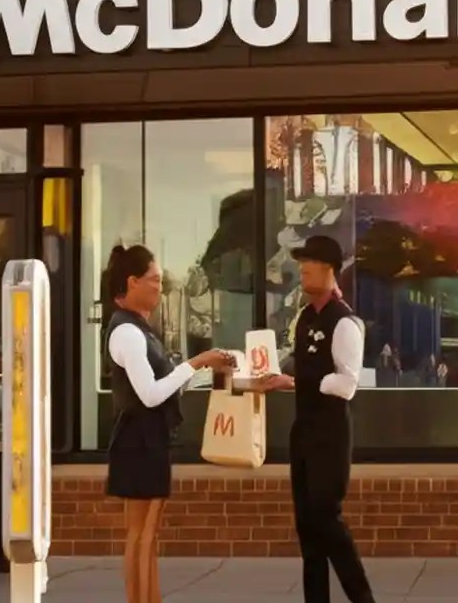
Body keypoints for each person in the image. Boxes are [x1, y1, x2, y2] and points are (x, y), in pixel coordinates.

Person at [103, 244, 232, 603]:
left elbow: (167, 384)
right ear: (132, 282)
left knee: (148, 532)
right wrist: (196, 362)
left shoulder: (140, 329)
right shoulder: (127, 332)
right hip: (138, 439)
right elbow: (150, 394)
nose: (161, 288)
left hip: (148, 438)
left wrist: (204, 369)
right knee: (141, 533)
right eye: (155, 280)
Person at [257, 235, 374, 603]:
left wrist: (294, 381)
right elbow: (299, 366)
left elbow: (346, 384)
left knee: (327, 520)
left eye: (309, 263)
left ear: (329, 269)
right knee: (307, 529)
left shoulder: (346, 323)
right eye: (301, 263)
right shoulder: (305, 318)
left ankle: (362, 598)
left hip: (331, 434)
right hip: (303, 431)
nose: (302, 269)